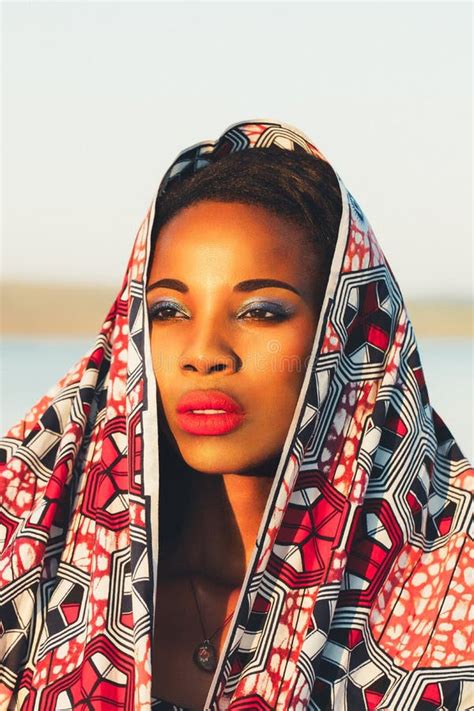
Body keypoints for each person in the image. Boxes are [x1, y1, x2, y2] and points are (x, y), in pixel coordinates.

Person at [0, 120, 472, 711]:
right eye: (169, 310)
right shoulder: (32, 577)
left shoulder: (454, 587)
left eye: (261, 312)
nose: (203, 355)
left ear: (347, 333)